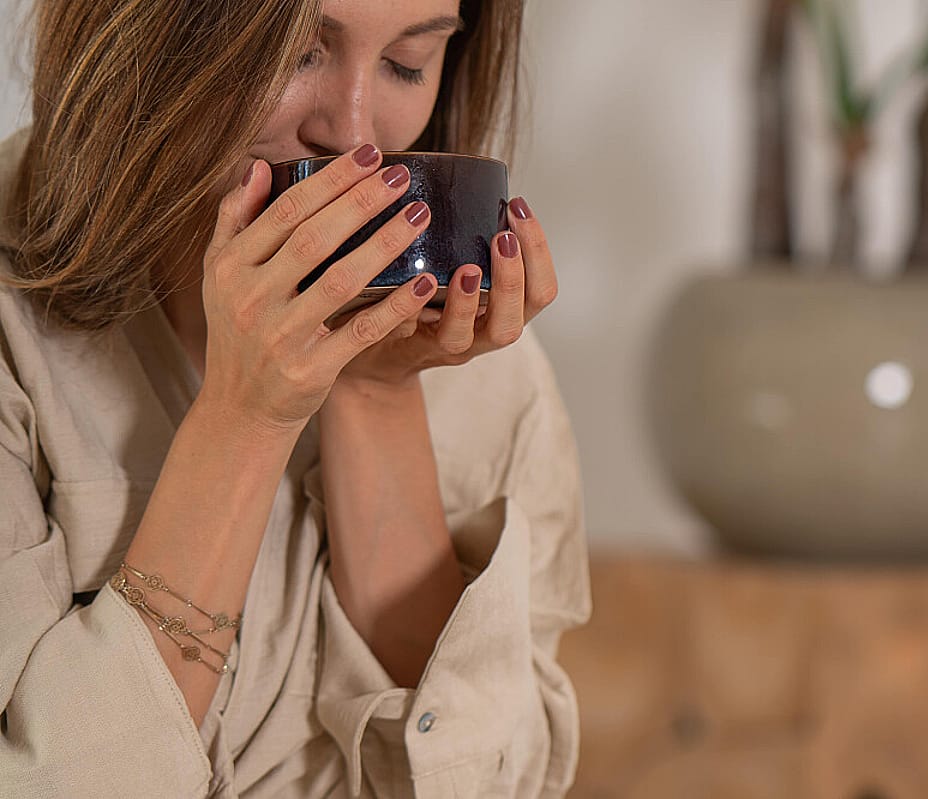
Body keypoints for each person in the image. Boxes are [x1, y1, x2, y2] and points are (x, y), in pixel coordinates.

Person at [0, 0, 590, 796]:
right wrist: (245, 419)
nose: (353, 135)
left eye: (407, 63)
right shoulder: (18, 330)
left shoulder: (484, 360)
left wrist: (373, 390)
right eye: (296, 52)